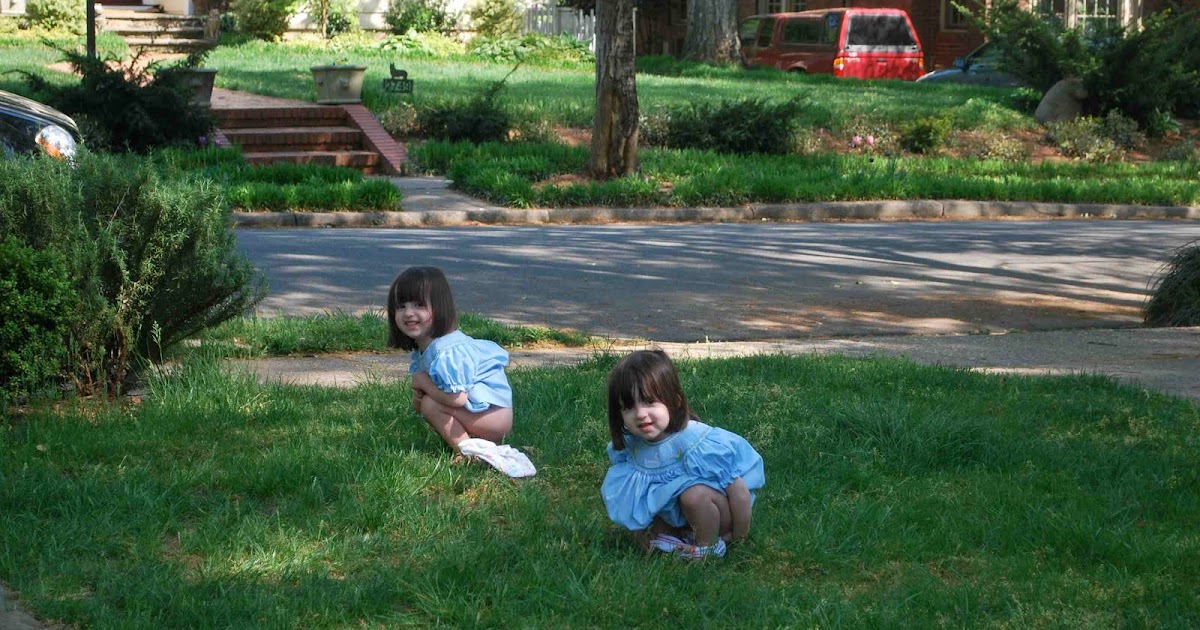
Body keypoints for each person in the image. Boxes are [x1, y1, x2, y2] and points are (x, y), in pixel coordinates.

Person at [601, 350, 765, 559]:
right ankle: (677, 541)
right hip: (682, 520)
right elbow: (635, 501)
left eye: (650, 402)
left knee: (693, 495)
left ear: (675, 401)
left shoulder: (697, 441)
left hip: (719, 516)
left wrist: (740, 536)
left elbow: (738, 490)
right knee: (657, 512)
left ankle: (708, 547)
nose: (640, 414)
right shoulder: (633, 448)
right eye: (629, 407)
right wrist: (640, 536)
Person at [386, 266, 513, 451]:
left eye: (419, 304)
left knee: (431, 404)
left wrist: (424, 384)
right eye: (401, 306)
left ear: (440, 307)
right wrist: (420, 394)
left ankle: (467, 451)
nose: (408, 313)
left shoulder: (448, 352)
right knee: (428, 403)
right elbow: (420, 403)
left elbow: (457, 400)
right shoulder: (427, 350)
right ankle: (470, 442)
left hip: (494, 417)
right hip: (485, 413)